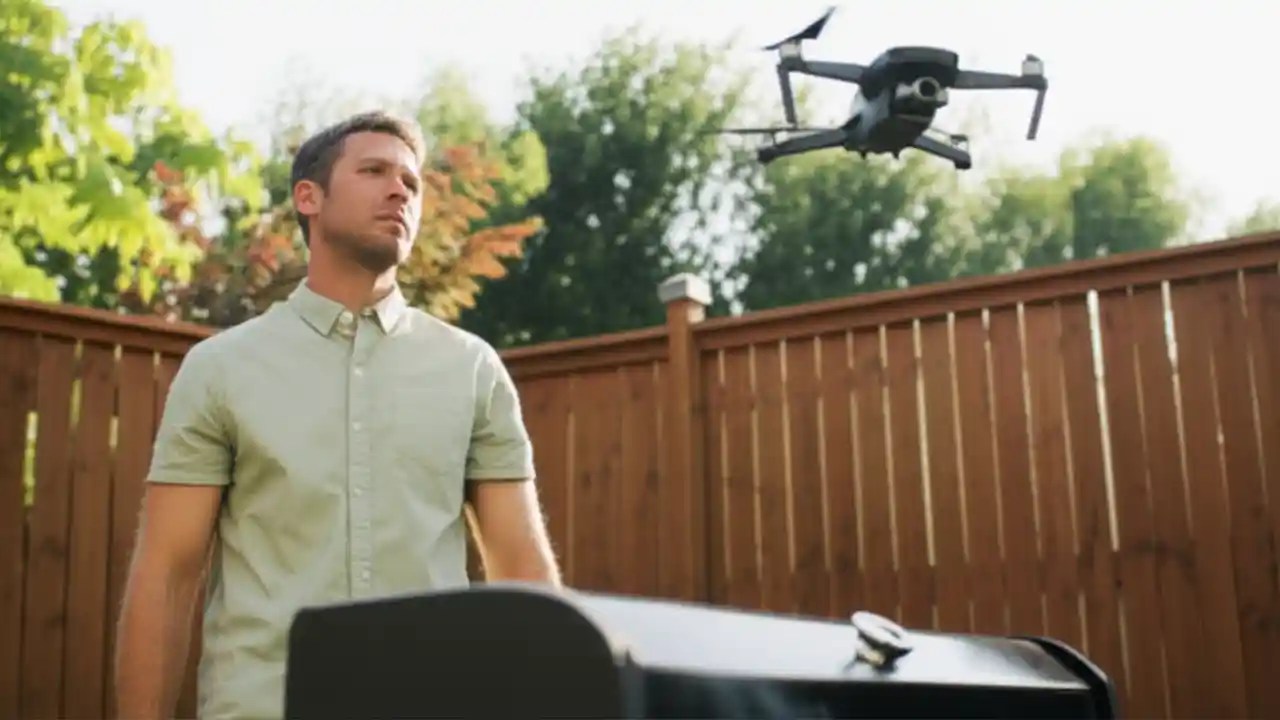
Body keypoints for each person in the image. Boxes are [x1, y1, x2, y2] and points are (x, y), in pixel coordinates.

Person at [113, 110, 563, 720]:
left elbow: (522, 569)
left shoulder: (472, 370)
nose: (400, 189)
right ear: (310, 197)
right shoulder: (220, 370)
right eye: (375, 170)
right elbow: (167, 575)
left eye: (412, 181)